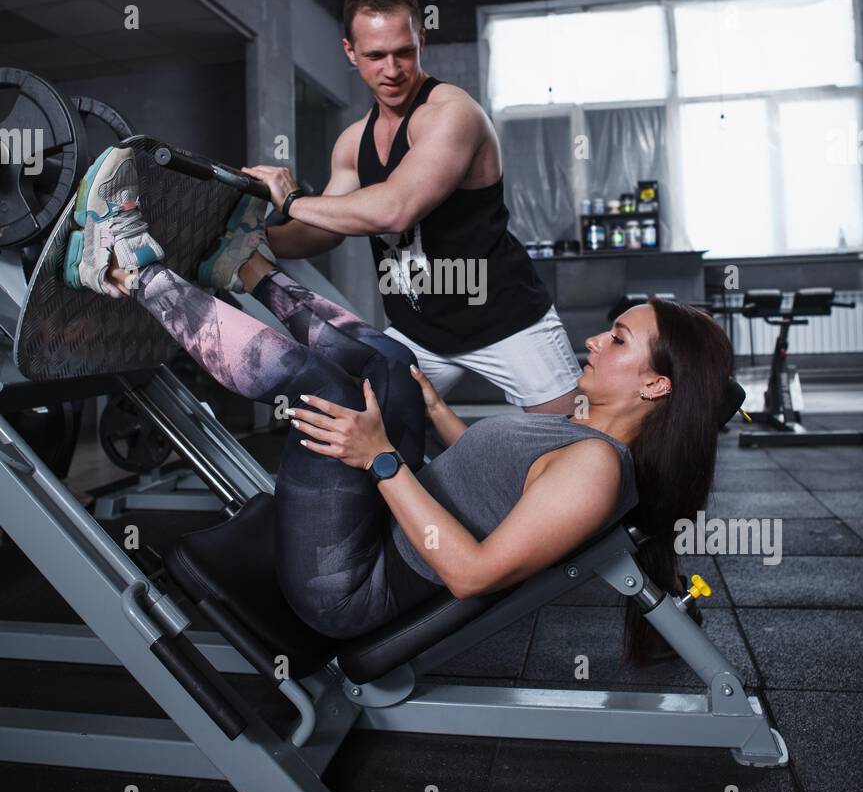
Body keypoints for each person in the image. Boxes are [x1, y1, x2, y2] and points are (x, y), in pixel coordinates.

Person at [63, 146, 734, 666]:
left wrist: (382, 460)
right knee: (392, 363)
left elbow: (472, 575)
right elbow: (490, 482)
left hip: (348, 583)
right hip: (374, 535)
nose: (593, 338)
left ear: (656, 386)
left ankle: (124, 266)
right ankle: (245, 269)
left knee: (323, 388)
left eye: (618, 340)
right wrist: (435, 412)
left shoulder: (598, 470)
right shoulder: (582, 441)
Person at [240, 0, 582, 416]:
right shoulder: (352, 142)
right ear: (350, 52)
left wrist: (290, 200)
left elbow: (395, 210)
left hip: (506, 319)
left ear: (421, 40)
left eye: (404, 51)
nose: (392, 69)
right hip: (419, 331)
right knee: (356, 432)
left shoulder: (451, 113)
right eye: (375, 56)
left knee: (573, 444)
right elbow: (318, 232)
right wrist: (253, 238)